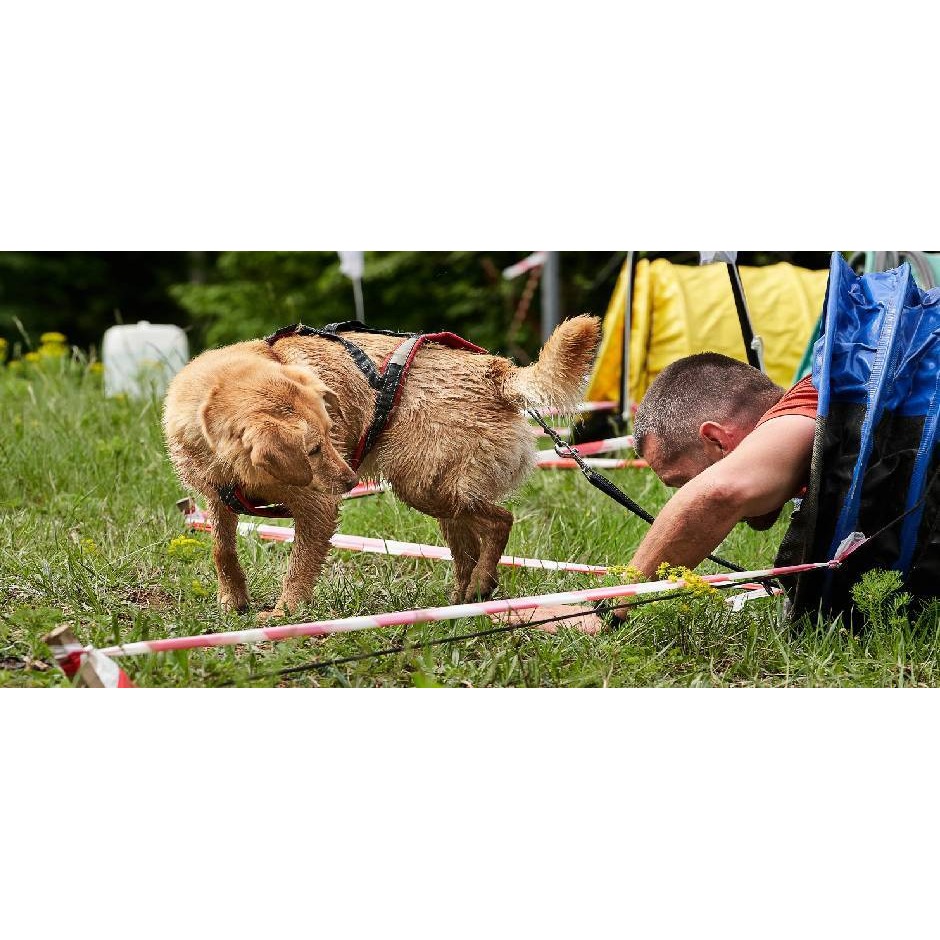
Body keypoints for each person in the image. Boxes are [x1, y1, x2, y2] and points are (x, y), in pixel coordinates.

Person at [511, 352, 820, 633]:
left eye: (685, 483)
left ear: (717, 441)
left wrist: (606, 613)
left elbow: (719, 492)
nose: (689, 494)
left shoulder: (817, 399)